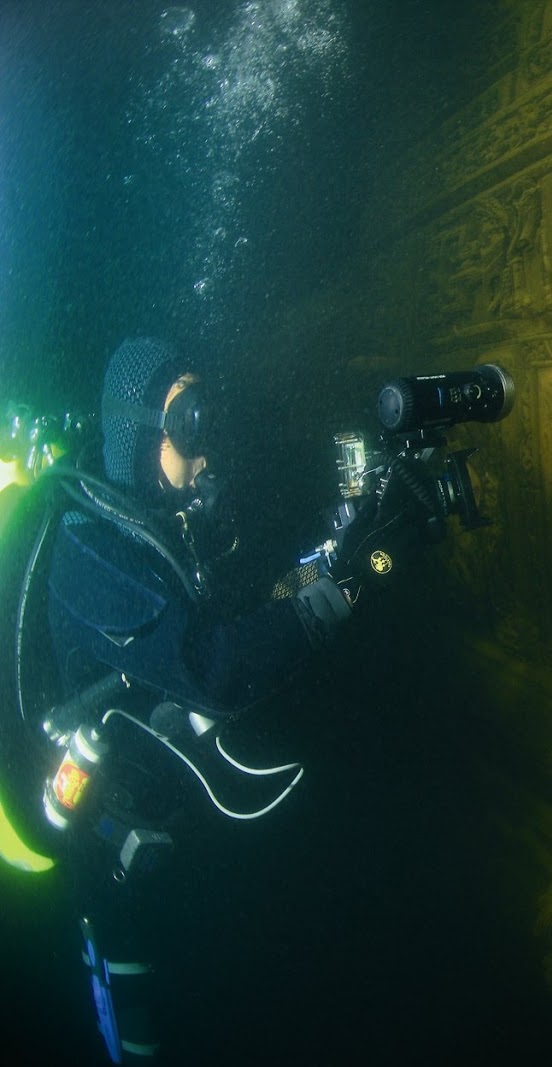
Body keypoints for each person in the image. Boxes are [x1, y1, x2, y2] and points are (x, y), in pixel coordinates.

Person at [1, 337, 356, 1062]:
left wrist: (319, 564)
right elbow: (211, 667)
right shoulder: (89, 549)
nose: (205, 445)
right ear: (138, 429)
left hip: (164, 811)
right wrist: (321, 608)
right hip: (102, 854)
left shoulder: (148, 513)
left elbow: (224, 610)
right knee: (142, 1033)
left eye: (206, 415)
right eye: (188, 421)